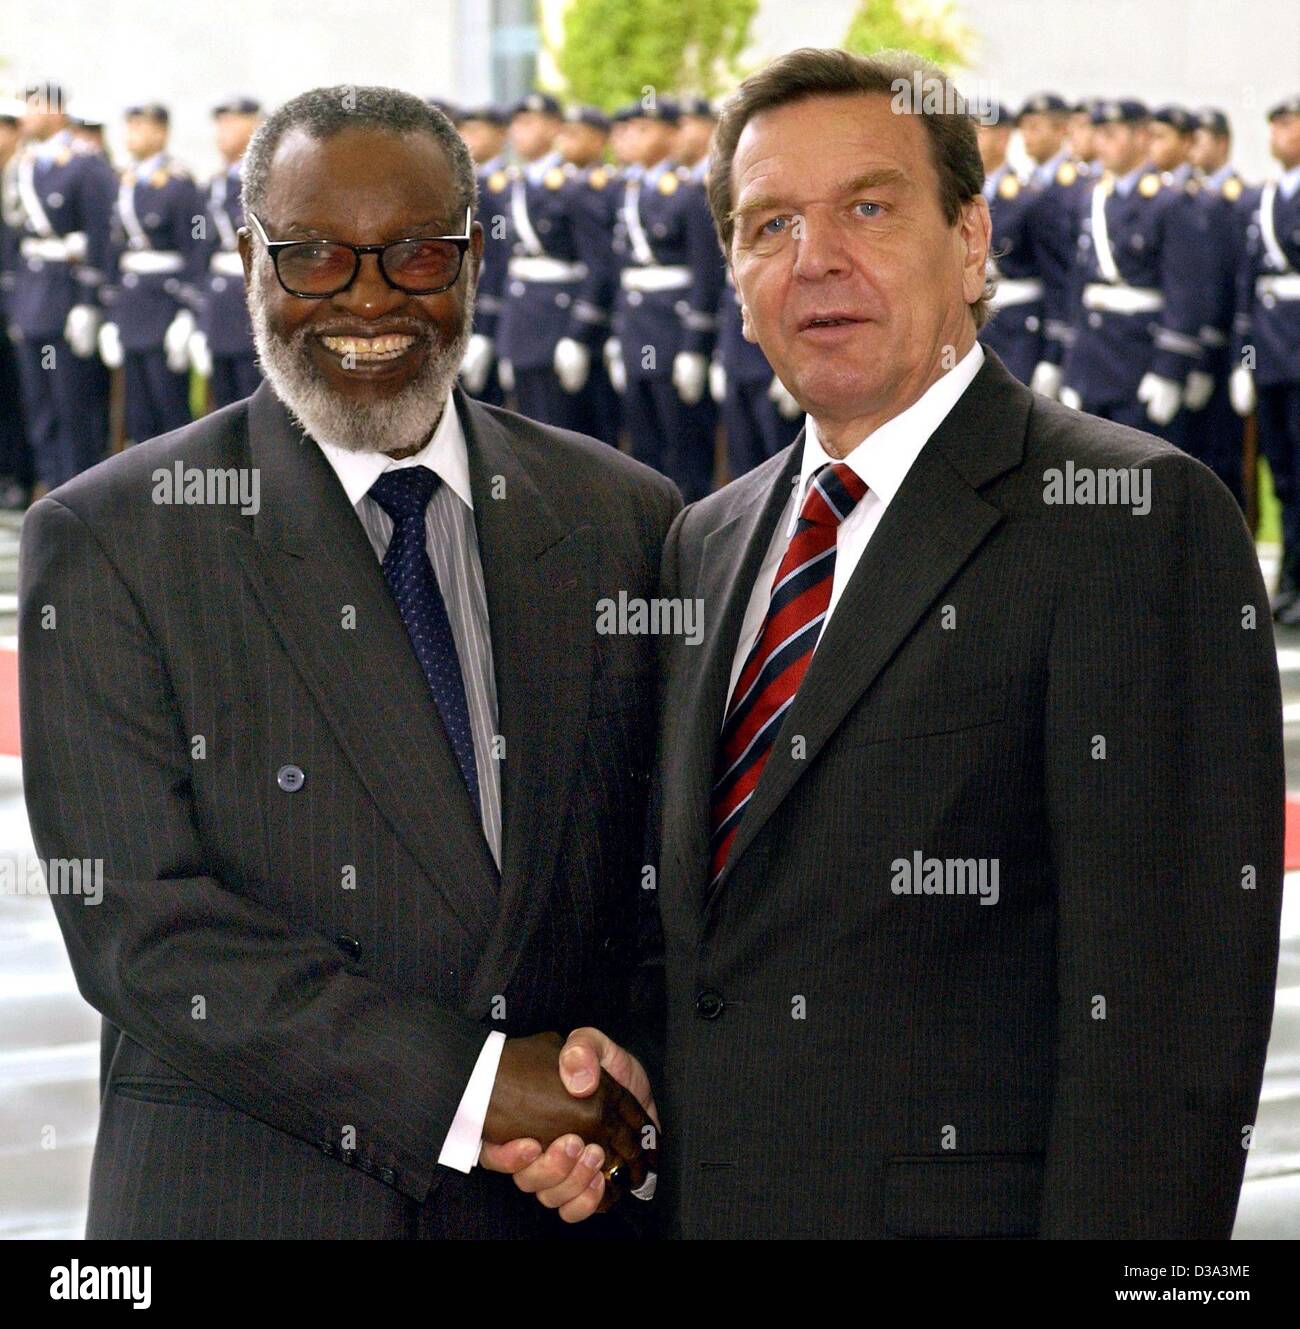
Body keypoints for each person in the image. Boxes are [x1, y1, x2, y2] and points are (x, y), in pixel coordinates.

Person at [489, 47, 1284, 1239]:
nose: (816, 260)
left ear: (971, 240)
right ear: (737, 273)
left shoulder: (1129, 521)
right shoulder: (705, 543)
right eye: (769, 226)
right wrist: (630, 1078)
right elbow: (712, 938)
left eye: (867, 206)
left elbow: (1163, 1038)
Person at [20, 85, 673, 1240]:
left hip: (563, 1206)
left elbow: (661, 882)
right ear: (246, 261)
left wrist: (605, 1089)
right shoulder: (117, 536)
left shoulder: (623, 516)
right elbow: (143, 931)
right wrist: (472, 1092)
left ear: (475, 259)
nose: (369, 298)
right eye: (314, 256)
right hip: (258, 1201)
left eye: (419, 255)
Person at [1059, 99, 1210, 441]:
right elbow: (1078, 286)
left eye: (1111, 134)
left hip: (1140, 360)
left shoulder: (1170, 201)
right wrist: (1072, 368)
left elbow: (1185, 293)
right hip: (1093, 360)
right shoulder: (1093, 198)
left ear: (1142, 137)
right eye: (1098, 134)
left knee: (1142, 482)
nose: (1101, 144)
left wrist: (1169, 371)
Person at [600, 98, 724, 501]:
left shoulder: (689, 193)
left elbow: (706, 275)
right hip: (638, 330)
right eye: (629, 128)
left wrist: (696, 347)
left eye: (643, 128)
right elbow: (622, 271)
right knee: (643, 445)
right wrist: (619, 337)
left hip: (673, 331)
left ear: (673, 134)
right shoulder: (628, 191)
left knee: (683, 445)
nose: (630, 138)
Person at [7, 81, 115, 491]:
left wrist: (90, 302)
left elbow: (101, 238)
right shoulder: (28, 165)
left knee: (73, 406)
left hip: (66, 302)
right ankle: (50, 485)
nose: (26, 118)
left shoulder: (85, 164)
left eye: (33, 108)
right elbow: (20, 239)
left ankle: (75, 492)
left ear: (55, 111)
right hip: (34, 301)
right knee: (41, 405)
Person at [97, 103, 200, 443]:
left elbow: (196, 250)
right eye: (129, 127)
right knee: (136, 410)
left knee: (169, 408)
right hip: (131, 307)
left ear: (161, 132)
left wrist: (188, 313)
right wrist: (110, 314)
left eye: (140, 127)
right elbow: (114, 251)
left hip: (164, 307)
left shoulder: (178, 185)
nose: (132, 135)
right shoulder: (124, 183)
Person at [1235, 96, 1300, 622]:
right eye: (1274, 125)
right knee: (1281, 473)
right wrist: (1245, 359)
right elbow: (1248, 285)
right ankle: (1289, 581)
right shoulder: (1266, 196)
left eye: (1287, 125)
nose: (1277, 134)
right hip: (1273, 355)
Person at [975, 102, 1072, 388]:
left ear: (1002, 137)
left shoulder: (1029, 199)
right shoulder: (957, 197)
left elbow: (1056, 278)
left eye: (977, 131)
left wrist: (1054, 354)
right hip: (971, 329)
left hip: (1018, 330)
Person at [191, 96, 263, 409]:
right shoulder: (215, 184)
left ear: (257, 125)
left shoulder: (265, 180)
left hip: (251, 303)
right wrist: (198, 318)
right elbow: (200, 253)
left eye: (233, 122)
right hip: (221, 307)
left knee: (254, 398)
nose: (223, 132)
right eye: (220, 124)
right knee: (222, 405)